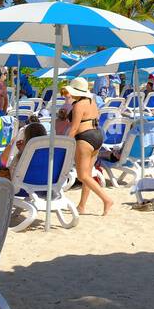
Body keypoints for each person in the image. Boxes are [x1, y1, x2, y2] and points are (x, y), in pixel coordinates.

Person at [63, 77, 112, 216]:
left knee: (82, 175)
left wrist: (64, 146)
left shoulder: (78, 105)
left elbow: (74, 128)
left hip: (85, 138)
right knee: (88, 174)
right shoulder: (92, 101)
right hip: (97, 136)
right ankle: (82, 206)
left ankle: (107, 199)